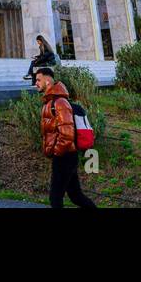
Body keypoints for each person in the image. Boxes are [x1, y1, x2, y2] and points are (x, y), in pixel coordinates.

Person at [35, 67, 96, 209]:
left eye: (38, 79)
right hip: (67, 155)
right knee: (75, 196)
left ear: (48, 80)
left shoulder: (59, 103)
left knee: (55, 198)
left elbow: (67, 134)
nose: (36, 83)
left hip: (64, 155)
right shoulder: (50, 102)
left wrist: (57, 151)